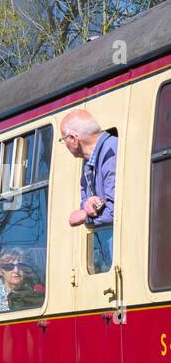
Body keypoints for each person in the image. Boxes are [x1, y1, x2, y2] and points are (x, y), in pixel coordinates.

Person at [60, 109, 117, 272]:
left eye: (63, 139)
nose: (65, 144)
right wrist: (88, 207)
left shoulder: (111, 153)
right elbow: (86, 203)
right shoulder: (87, 167)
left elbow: (114, 211)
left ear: (73, 139)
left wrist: (85, 215)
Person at [0, 247, 45, 312]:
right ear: (1, 271)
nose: (16, 270)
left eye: (20, 265)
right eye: (9, 266)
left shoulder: (38, 289)